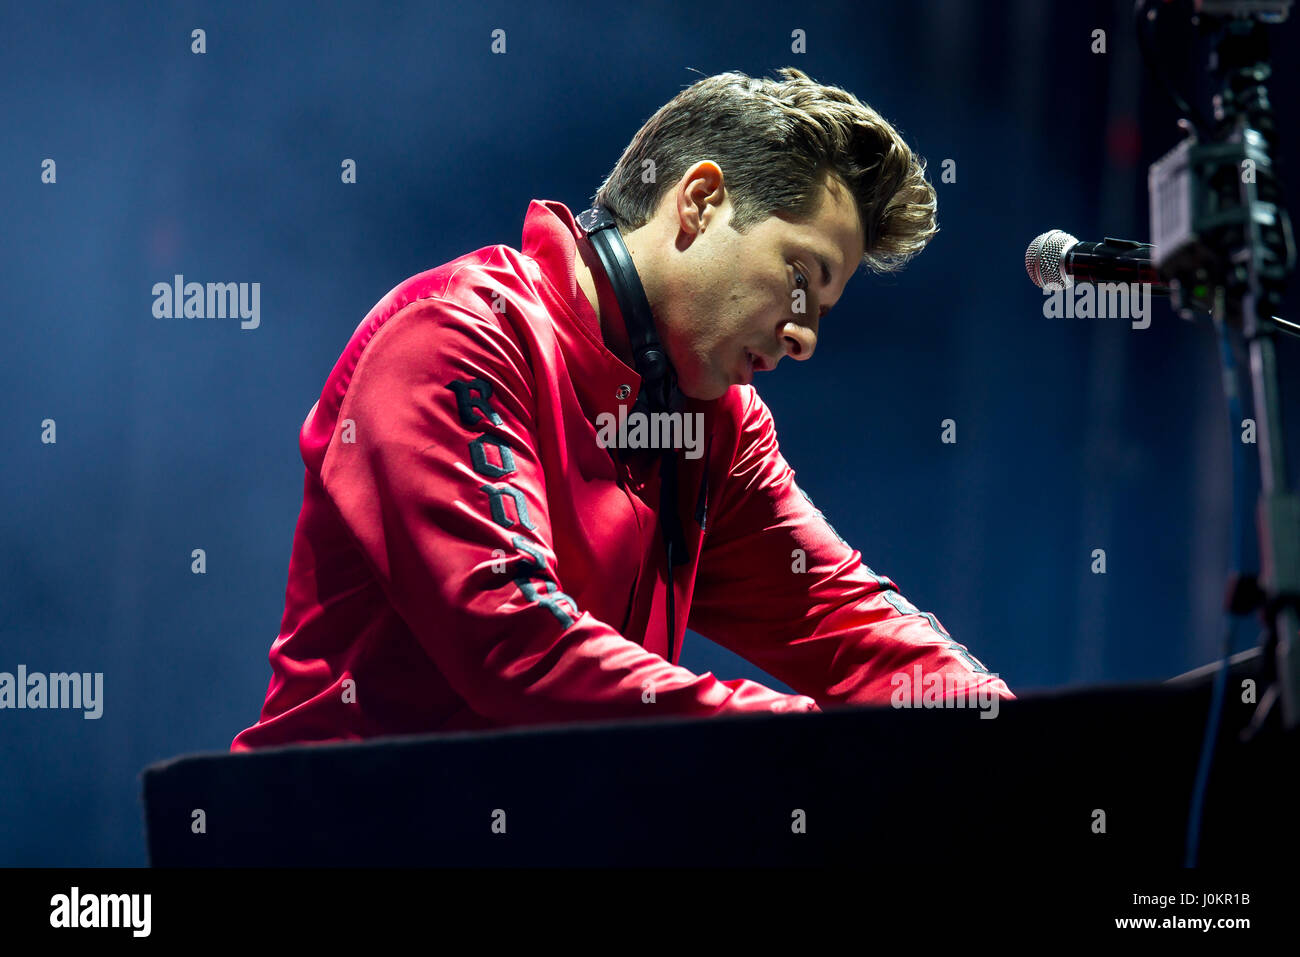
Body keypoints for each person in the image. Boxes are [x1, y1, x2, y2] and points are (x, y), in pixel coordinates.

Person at [231, 66, 1013, 751]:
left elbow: (845, 623)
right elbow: (515, 641)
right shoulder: (458, 335)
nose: (806, 337)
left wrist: (1034, 746)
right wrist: (803, 746)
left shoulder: (717, 422)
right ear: (701, 200)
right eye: (802, 275)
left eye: (827, 308)